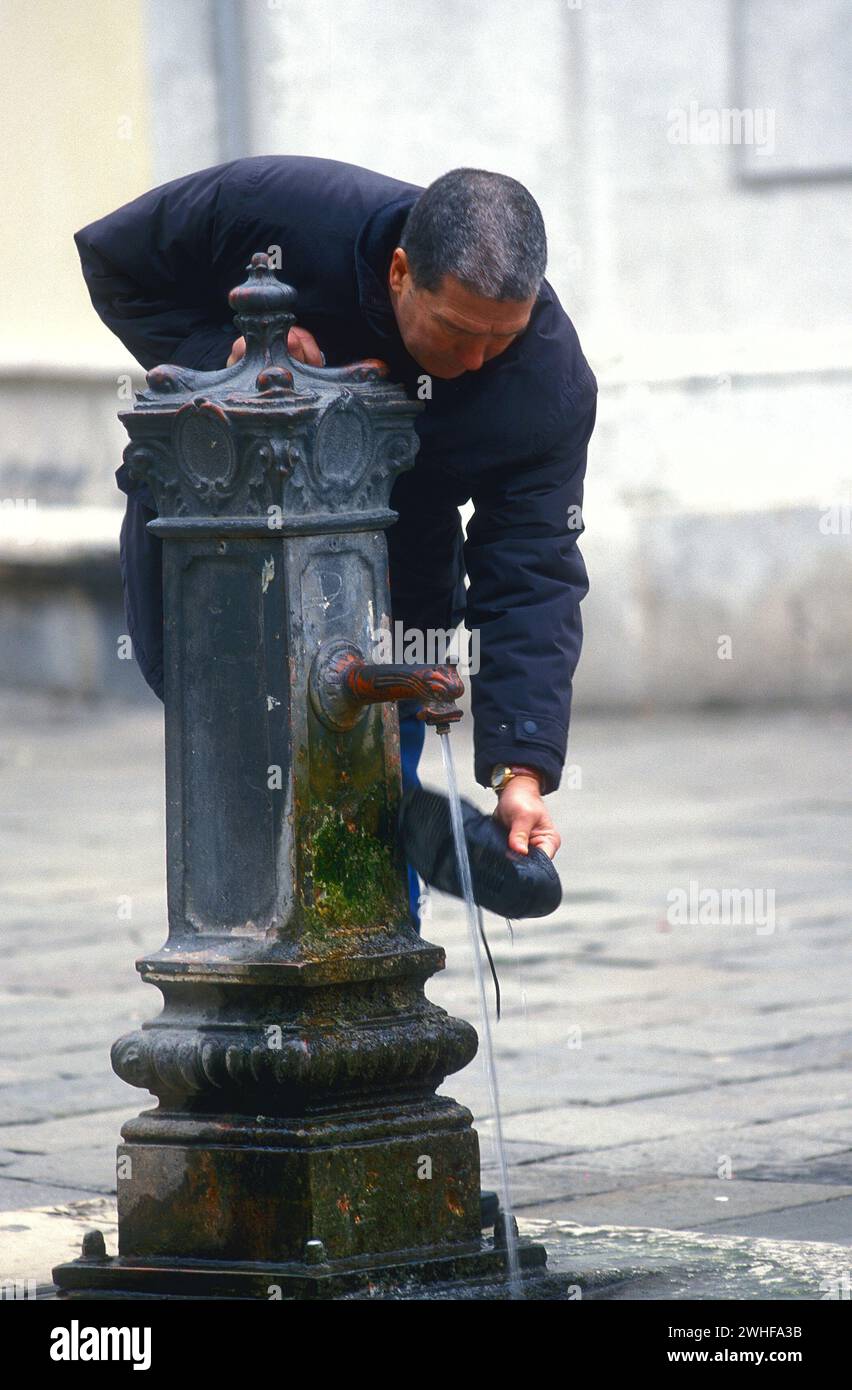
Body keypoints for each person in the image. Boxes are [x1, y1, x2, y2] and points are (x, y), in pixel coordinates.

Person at [75, 157, 597, 926]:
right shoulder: (276, 210)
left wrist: (523, 770)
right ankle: (249, 985)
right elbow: (115, 260)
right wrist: (240, 355)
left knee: (368, 806)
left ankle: (379, 957)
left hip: (393, 585)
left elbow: (533, 569)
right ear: (398, 272)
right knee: (244, 780)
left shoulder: (545, 383)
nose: (478, 361)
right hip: (208, 552)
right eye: (456, 332)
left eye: (501, 340)